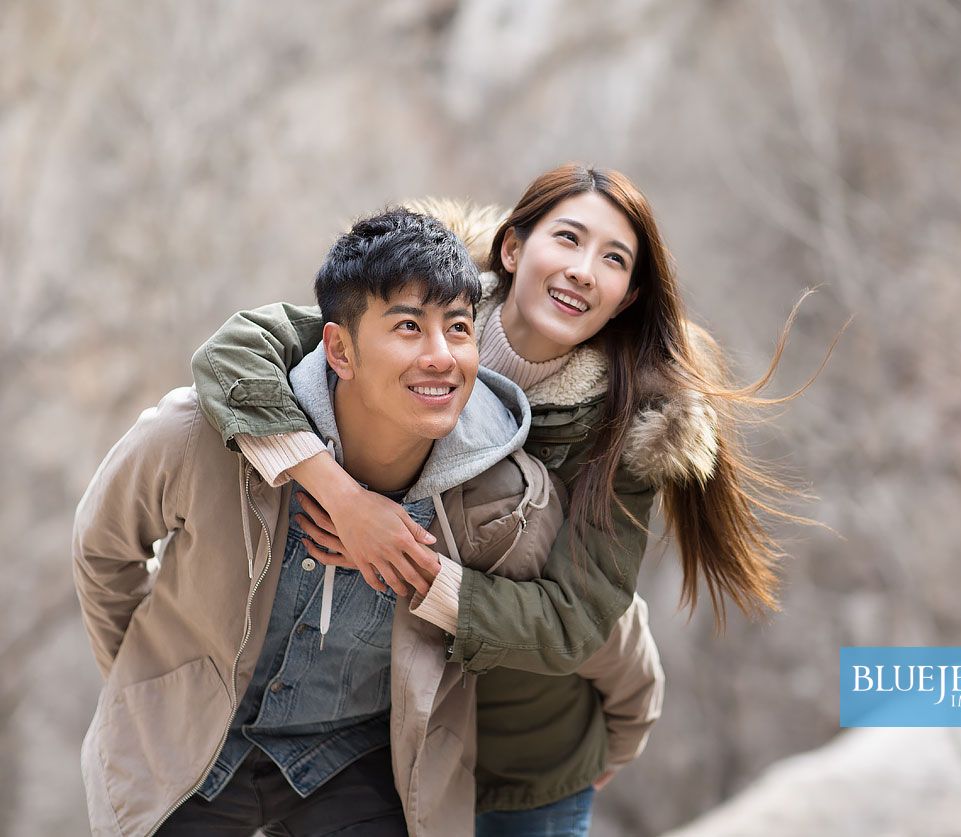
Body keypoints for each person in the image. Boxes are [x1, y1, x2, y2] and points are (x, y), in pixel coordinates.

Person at [191, 163, 816, 833]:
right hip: (376, 735)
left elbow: (580, 619)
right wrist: (342, 498)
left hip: (514, 760)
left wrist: (414, 568)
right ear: (514, 249)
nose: (582, 269)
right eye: (568, 238)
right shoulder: (426, 312)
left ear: (626, 297)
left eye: (612, 259)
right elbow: (234, 352)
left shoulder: (622, 429)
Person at [73, 208, 662, 837]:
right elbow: (104, 554)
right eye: (408, 327)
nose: (439, 355)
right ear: (339, 350)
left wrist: (629, 723)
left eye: (456, 328)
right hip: (186, 753)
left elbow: (591, 618)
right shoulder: (195, 437)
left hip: (369, 762)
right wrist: (150, 688)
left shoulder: (506, 499)